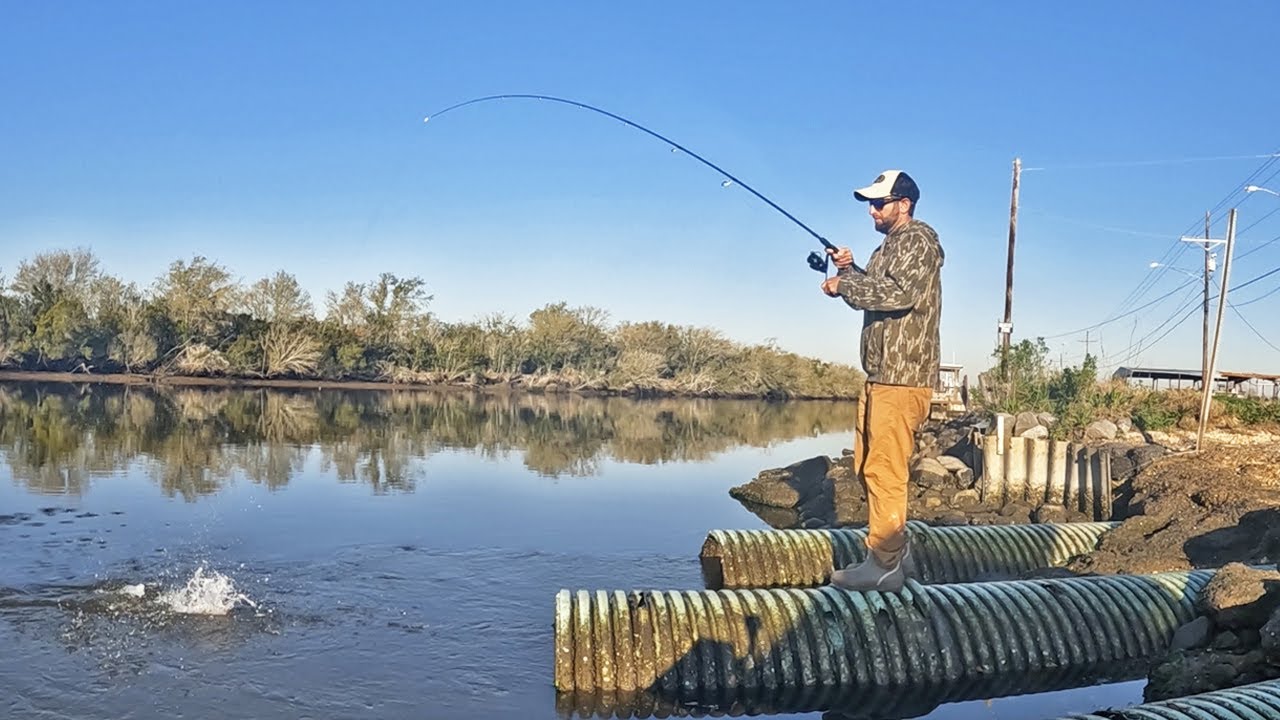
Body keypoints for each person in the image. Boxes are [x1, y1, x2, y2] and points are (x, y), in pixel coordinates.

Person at [820, 169, 944, 592]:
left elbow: (899, 295)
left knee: (885, 471)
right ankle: (895, 555)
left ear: (903, 204)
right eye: (870, 203)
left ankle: (885, 566)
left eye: (880, 202)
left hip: (902, 377)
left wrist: (844, 288)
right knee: (867, 465)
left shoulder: (918, 241)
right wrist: (850, 270)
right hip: (880, 376)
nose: (872, 210)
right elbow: (877, 287)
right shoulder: (888, 247)